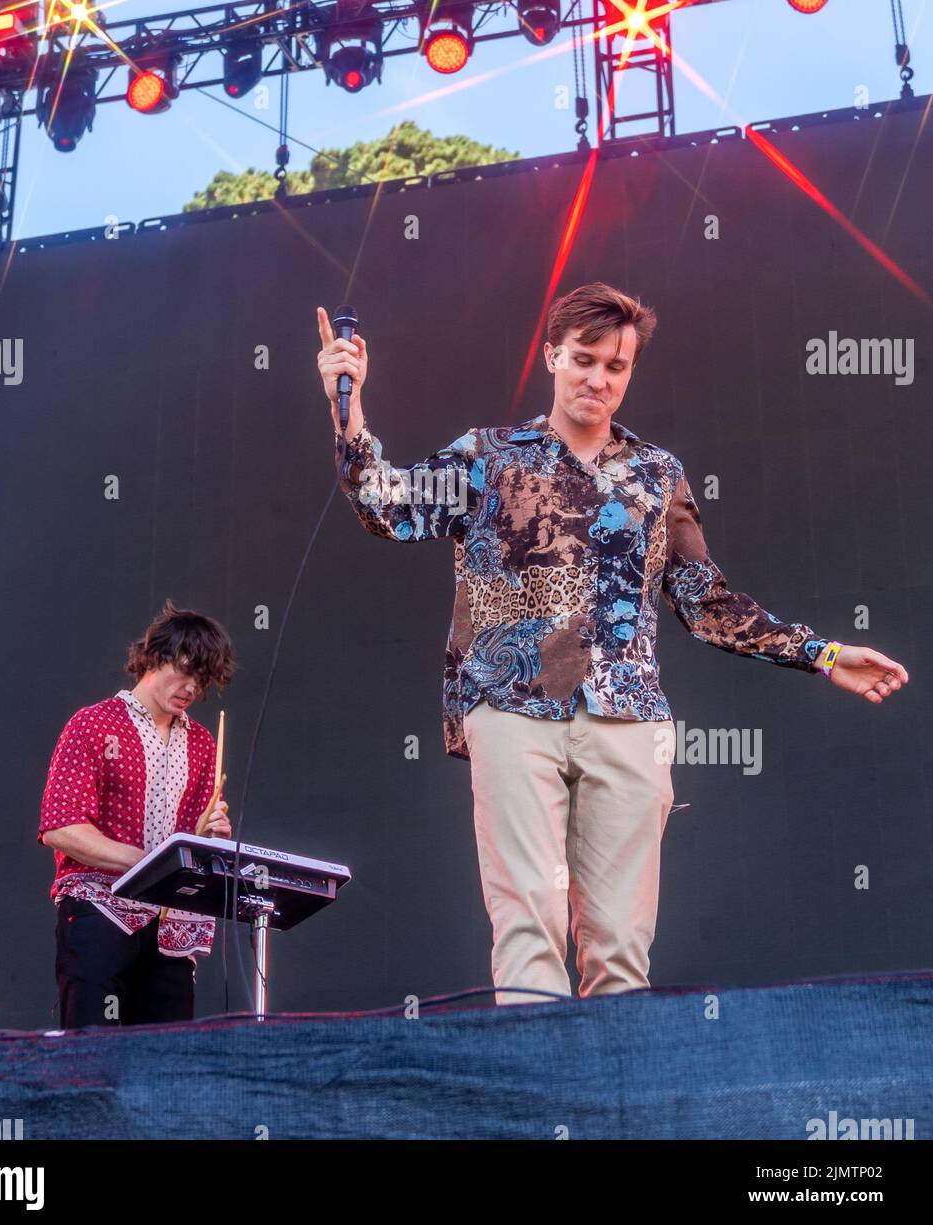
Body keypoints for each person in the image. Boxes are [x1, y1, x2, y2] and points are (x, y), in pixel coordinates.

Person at [315, 284, 909, 1003]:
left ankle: (612, 1111)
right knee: (528, 931)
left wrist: (823, 654)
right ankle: (543, 1108)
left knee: (623, 954)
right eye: (585, 360)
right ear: (552, 357)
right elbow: (387, 504)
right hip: (510, 706)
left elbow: (707, 601)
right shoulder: (489, 455)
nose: (599, 378)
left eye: (617, 366)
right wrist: (347, 403)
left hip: (629, 720)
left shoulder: (657, 475)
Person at [38, 600, 234, 1028]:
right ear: (157, 655)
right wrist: (150, 863)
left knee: (164, 1065)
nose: (191, 688)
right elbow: (61, 826)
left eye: (201, 681)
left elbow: (195, 845)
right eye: (185, 670)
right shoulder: (92, 724)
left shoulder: (202, 744)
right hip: (100, 908)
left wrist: (211, 839)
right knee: (94, 1053)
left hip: (169, 926)